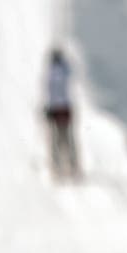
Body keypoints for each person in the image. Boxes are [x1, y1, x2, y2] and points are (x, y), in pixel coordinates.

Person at [44, 48, 79, 179]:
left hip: (55, 109)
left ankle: (57, 166)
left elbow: (50, 93)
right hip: (65, 108)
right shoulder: (65, 70)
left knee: (56, 140)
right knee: (67, 138)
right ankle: (72, 165)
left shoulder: (51, 73)